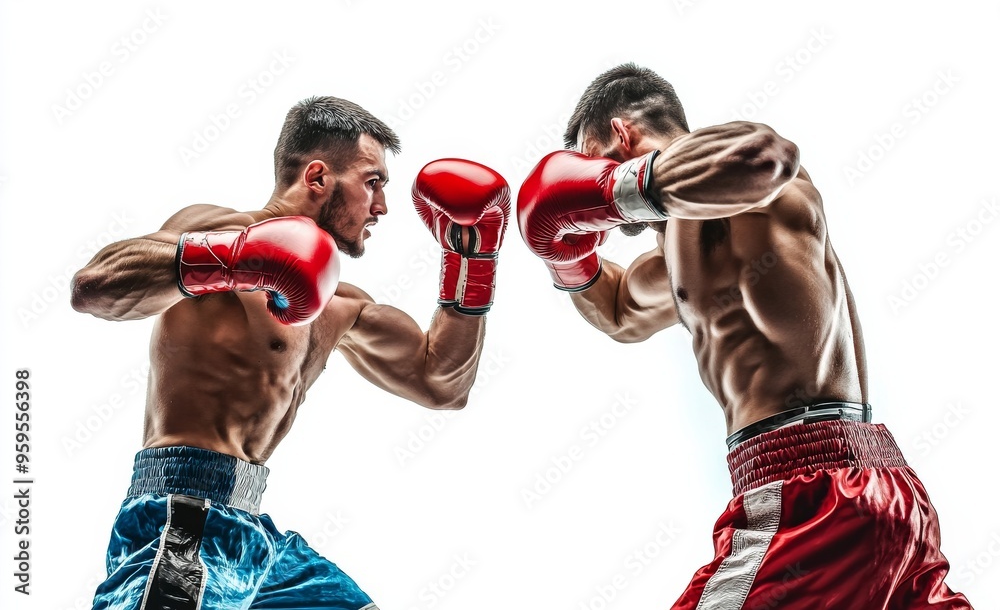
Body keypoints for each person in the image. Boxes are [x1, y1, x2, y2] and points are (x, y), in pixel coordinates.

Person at [516, 64, 972, 609]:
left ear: (621, 135)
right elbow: (618, 312)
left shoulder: (747, 187)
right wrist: (559, 254)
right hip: (882, 493)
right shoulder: (676, 253)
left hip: (807, 496)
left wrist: (614, 189)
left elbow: (765, 156)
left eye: (592, 163)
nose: (600, 214)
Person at [71, 95, 510, 610]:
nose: (383, 207)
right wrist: (236, 261)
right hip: (183, 514)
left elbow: (442, 384)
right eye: (373, 183)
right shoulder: (221, 229)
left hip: (255, 534)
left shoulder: (341, 305)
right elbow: (94, 287)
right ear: (318, 177)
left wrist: (470, 259)